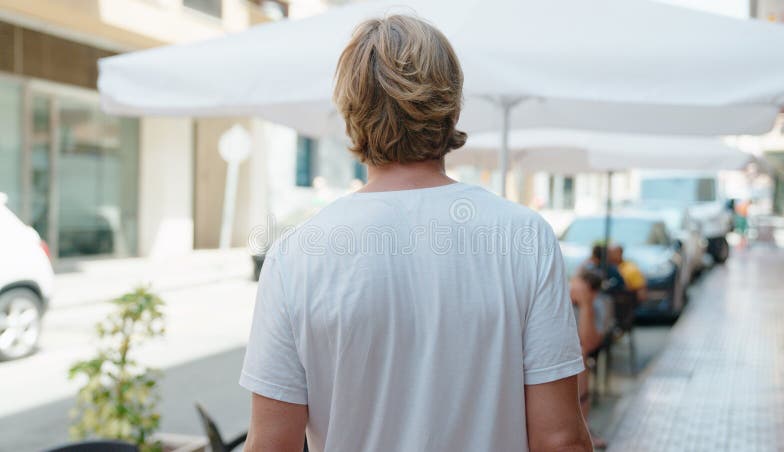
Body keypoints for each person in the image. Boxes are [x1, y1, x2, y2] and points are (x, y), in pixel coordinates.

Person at [239, 15, 592, 452]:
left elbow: (272, 445)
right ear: (453, 105)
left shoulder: (295, 256)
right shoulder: (525, 237)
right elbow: (560, 440)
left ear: (349, 111)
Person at [570, 268, 614, 450]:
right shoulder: (557, 298)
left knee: (581, 356)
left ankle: (583, 426)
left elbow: (588, 342)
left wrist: (586, 304)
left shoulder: (601, 304)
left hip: (579, 354)